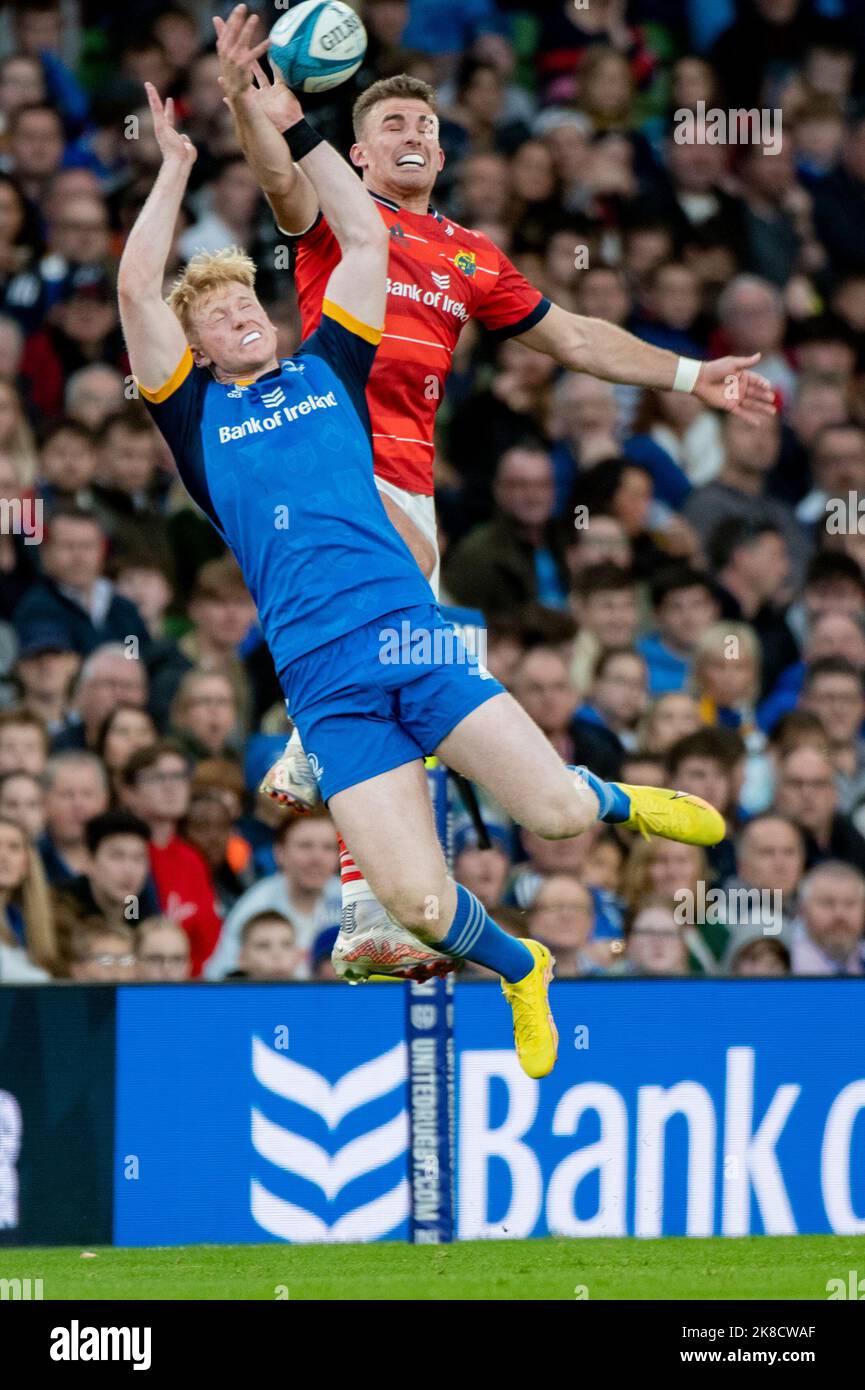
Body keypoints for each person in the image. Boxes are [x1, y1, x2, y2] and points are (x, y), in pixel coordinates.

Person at [117, 61, 726, 1079]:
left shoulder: (330, 371)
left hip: (407, 636)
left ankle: (614, 799)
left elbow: (367, 239)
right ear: (193, 351)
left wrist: (298, 126)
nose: (243, 318)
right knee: (420, 906)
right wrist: (176, 162)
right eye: (217, 317)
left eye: (249, 303)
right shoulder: (192, 418)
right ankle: (520, 963)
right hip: (320, 678)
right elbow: (137, 287)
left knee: (559, 816)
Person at [214, 7, 774, 978]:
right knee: (406, 608)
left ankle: (364, 902)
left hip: (412, 472)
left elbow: (577, 339)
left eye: (427, 126)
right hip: (331, 457)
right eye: (393, 124)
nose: (416, 135)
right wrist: (247, 101)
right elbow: (274, 174)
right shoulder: (335, 222)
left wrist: (692, 377)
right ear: (353, 147)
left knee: (406, 662)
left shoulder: (470, 253)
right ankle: (319, 769)